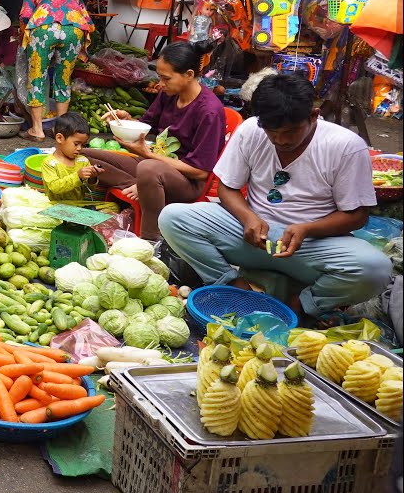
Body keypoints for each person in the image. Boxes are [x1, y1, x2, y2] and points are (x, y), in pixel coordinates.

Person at [159, 74, 391, 320]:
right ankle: (229, 285)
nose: (281, 140)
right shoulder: (251, 131)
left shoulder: (346, 146)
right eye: (272, 132)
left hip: (312, 245)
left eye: (290, 132)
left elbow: (357, 215)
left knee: (376, 268)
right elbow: (227, 188)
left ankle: (304, 303)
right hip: (252, 236)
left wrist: (307, 229)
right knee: (173, 217)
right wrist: (247, 217)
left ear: (313, 116)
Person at [91, 41, 226, 240]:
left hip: (186, 181)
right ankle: (144, 186)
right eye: (159, 77)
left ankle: (150, 241)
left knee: (147, 169)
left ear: (189, 75)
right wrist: (125, 121)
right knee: (87, 155)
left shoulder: (209, 111)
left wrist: (148, 154)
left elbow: (201, 172)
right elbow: (146, 126)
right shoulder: (169, 94)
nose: (160, 84)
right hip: (155, 164)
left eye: (166, 78)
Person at [18, 0, 94, 142]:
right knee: (63, 79)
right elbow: (87, 18)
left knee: (37, 77)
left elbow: (25, 17)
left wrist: (23, 40)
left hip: (44, 27)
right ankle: (63, 130)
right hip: (74, 30)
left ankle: (37, 130)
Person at [40, 112, 106, 205]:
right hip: (56, 208)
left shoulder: (83, 161)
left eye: (83, 145)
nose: (79, 148)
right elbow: (55, 188)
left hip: (77, 207)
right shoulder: (49, 163)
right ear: (59, 138)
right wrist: (78, 176)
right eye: (76, 144)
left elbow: (88, 189)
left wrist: (93, 177)